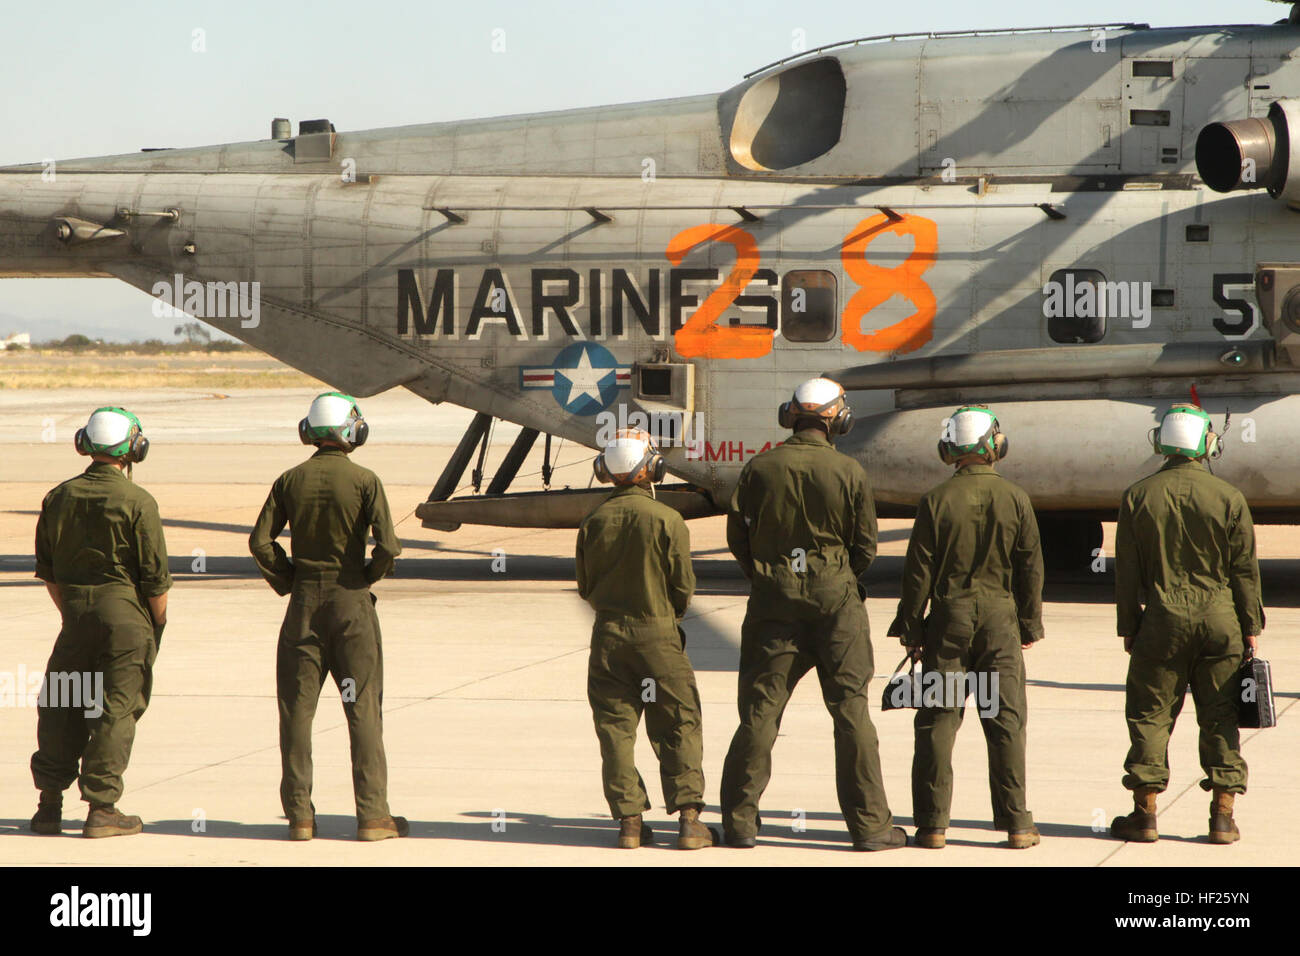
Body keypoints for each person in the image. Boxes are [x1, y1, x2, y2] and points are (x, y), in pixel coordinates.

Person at [720, 378, 905, 851]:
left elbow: (738, 539)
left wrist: (768, 576)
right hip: (836, 605)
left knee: (760, 712)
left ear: (792, 415)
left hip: (772, 604)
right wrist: (836, 577)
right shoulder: (848, 471)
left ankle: (740, 824)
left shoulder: (759, 468)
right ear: (835, 418)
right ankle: (870, 828)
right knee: (851, 712)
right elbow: (865, 547)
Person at [249, 392, 406, 841]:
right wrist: (366, 577)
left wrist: (289, 579)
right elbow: (389, 547)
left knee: (297, 712)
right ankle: (373, 816)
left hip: (303, 610)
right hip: (352, 607)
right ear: (349, 430)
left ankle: (299, 817)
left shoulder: (288, 481)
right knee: (362, 709)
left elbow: (261, 543)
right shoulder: (365, 480)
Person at [886, 404, 1044, 850]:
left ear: (949, 448)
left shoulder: (935, 501)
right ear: (994, 444)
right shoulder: (1016, 499)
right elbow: (1030, 567)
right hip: (999, 622)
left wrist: (912, 629)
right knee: (1005, 721)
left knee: (938, 720)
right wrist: (1029, 624)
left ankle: (932, 826)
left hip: (948, 622)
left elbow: (918, 573)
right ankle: (1017, 825)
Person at [1111, 403, 1263, 844]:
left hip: (1161, 621)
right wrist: (1250, 624)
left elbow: (1128, 573)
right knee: (1220, 715)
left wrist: (1129, 626)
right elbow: (1244, 571)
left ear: (1162, 443)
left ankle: (1145, 815)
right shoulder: (1229, 497)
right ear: (1206, 444)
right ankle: (1222, 816)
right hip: (1221, 622)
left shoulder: (1138, 496)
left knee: (1149, 715)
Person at [30, 406, 169, 838]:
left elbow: (48, 572)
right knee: (115, 708)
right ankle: (103, 809)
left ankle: (48, 806)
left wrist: (73, 612)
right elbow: (155, 580)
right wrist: (154, 626)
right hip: (125, 619)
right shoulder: (139, 502)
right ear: (134, 449)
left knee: (60, 704)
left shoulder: (58, 496)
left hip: (73, 617)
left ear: (84, 443)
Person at [576, 428, 713, 849]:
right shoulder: (668, 519)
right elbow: (682, 588)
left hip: (610, 638)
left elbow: (585, 586)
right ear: (650, 468)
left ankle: (629, 823)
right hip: (658, 633)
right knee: (677, 721)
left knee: (616, 728)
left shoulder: (593, 521)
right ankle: (689, 820)